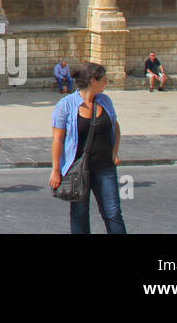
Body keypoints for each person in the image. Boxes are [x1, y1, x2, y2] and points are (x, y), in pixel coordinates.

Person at [49, 61, 127, 235]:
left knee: (113, 212)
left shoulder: (105, 101)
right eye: (104, 79)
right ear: (93, 81)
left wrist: (114, 153)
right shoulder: (66, 105)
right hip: (78, 169)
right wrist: (56, 170)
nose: (106, 83)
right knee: (79, 214)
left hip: (105, 168)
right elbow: (57, 139)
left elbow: (115, 126)